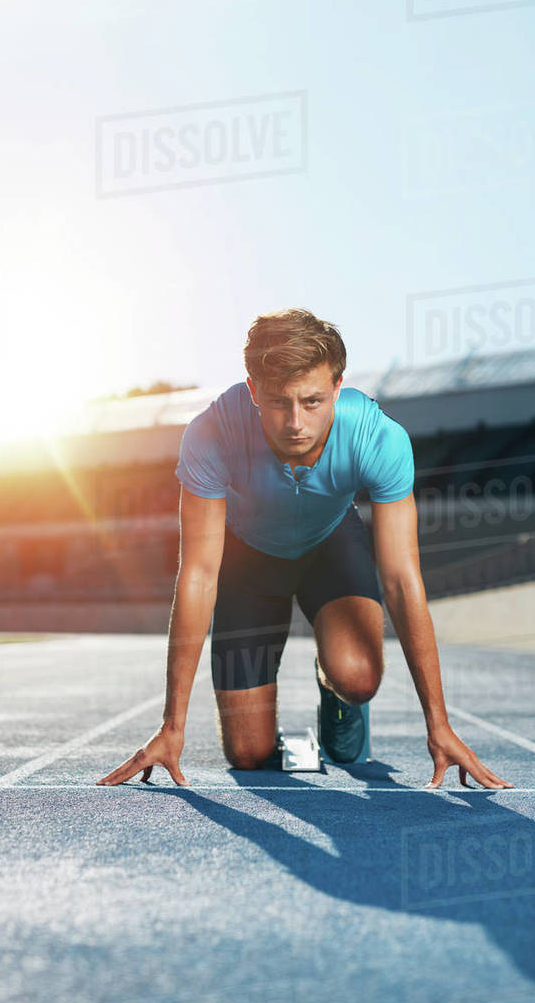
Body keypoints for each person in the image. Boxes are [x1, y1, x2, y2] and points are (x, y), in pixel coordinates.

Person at [97, 308, 512, 790]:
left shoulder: (378, 438)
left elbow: (401, 579)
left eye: (313, 401)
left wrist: (438, 725)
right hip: (248, 558)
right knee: (248, 754)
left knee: (356, 676)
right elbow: (198, 575)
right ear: (252, 390)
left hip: (329, 546)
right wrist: (173, 726)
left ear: (338, 386)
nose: (295, 422)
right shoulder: (212, 434)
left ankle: (334, 689)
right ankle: (282, 735)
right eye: (277, 402)